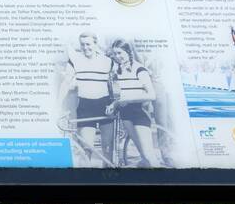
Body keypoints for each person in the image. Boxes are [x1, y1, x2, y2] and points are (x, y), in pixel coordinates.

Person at [60, 33, 114, 166]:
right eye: (82, 44)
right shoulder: (75, 60)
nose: (85, 47)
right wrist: (58, 106)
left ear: (96, 44)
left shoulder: (108, 61)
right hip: (85, 107)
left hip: (105, 106)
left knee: (107, 148)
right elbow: (66, 83)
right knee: (86, 149)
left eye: (88, 44)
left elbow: (121, 80)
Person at [106, 41, 162, 166]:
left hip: (139, 112)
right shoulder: (119, 70)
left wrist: (127, 100)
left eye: (119, 52)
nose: (117, 56)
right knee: (143, 156)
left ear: (128, 52)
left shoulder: (140, 69)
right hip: (125, 113)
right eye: (114, 53)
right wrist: (114, 104)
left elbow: (152, 95)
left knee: (149, 156)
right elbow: (125, 94)